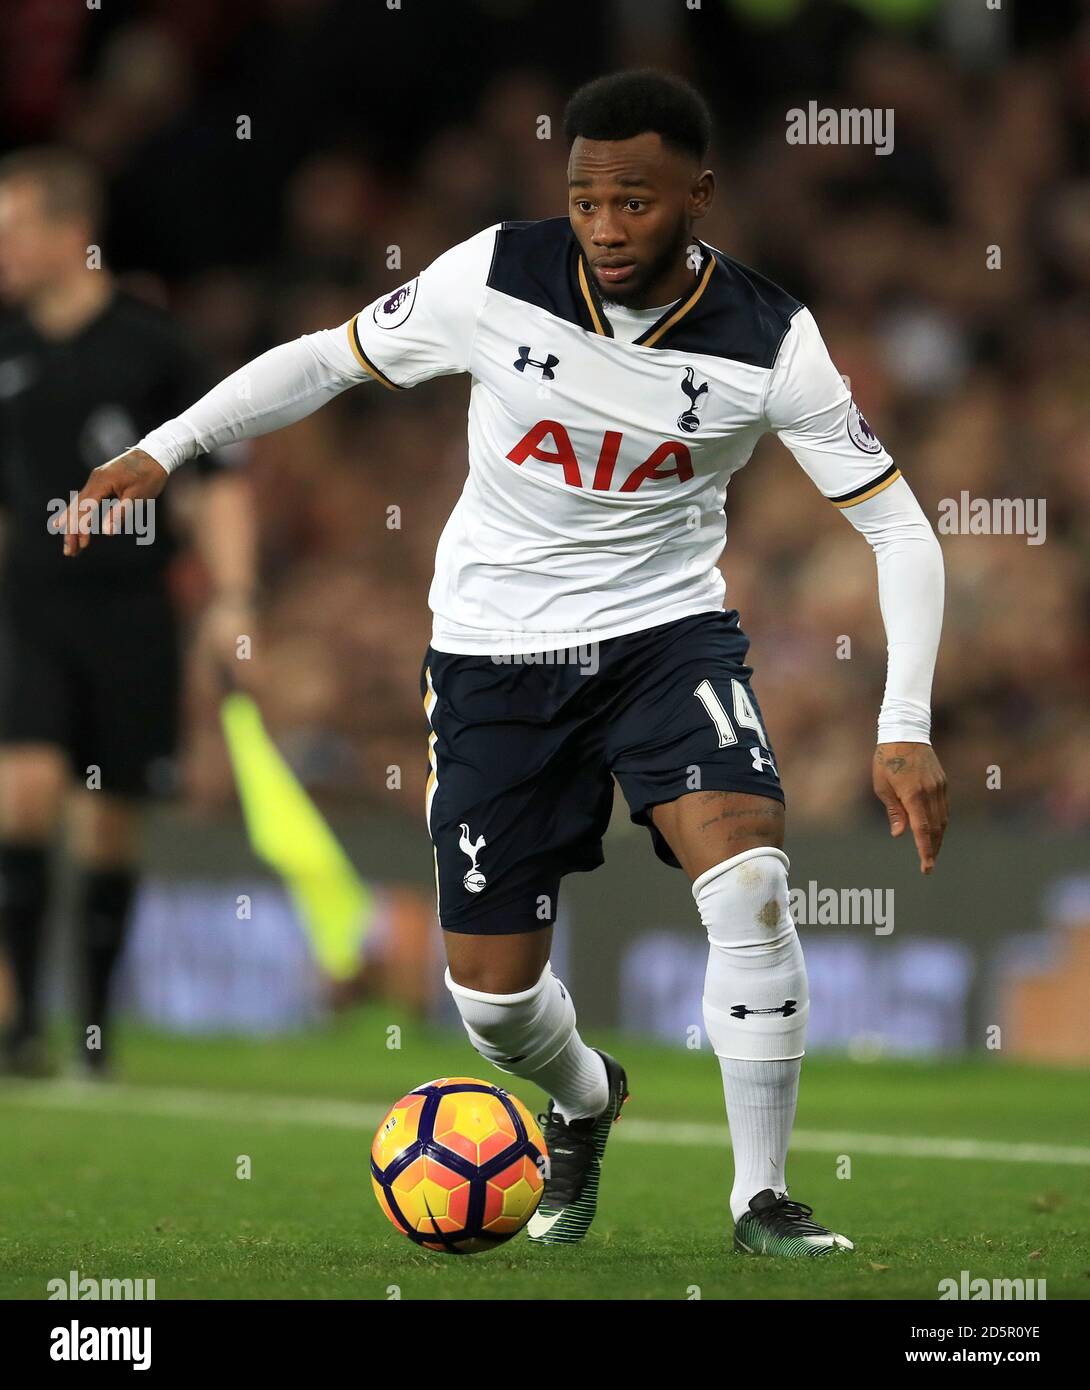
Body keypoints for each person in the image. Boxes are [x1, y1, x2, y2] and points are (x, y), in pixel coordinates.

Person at [63, 71, 947, 1254]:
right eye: (585, 199)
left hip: (663, 636)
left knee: (746, 872)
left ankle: (760, 1197)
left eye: (634, 201)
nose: (606, 227)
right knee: (490, 1000)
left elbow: (897, 525)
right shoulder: (492, 276)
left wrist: (905, 721)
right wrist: (165, 450)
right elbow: (325, 361)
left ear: (700, 194)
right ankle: (586, 1098)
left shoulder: (772, 340)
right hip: (492, 654)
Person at [0, 147, 256, 1077]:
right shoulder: (7, 347)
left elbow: (221, 478)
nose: (4, 250)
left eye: (16, 230)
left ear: (71, 234)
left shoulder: (152, 346)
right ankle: (20, 1025)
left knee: (105, 820)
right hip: (29, 609)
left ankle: (94, 1033)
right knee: (22, 795)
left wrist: (232, 595)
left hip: (132, 613)